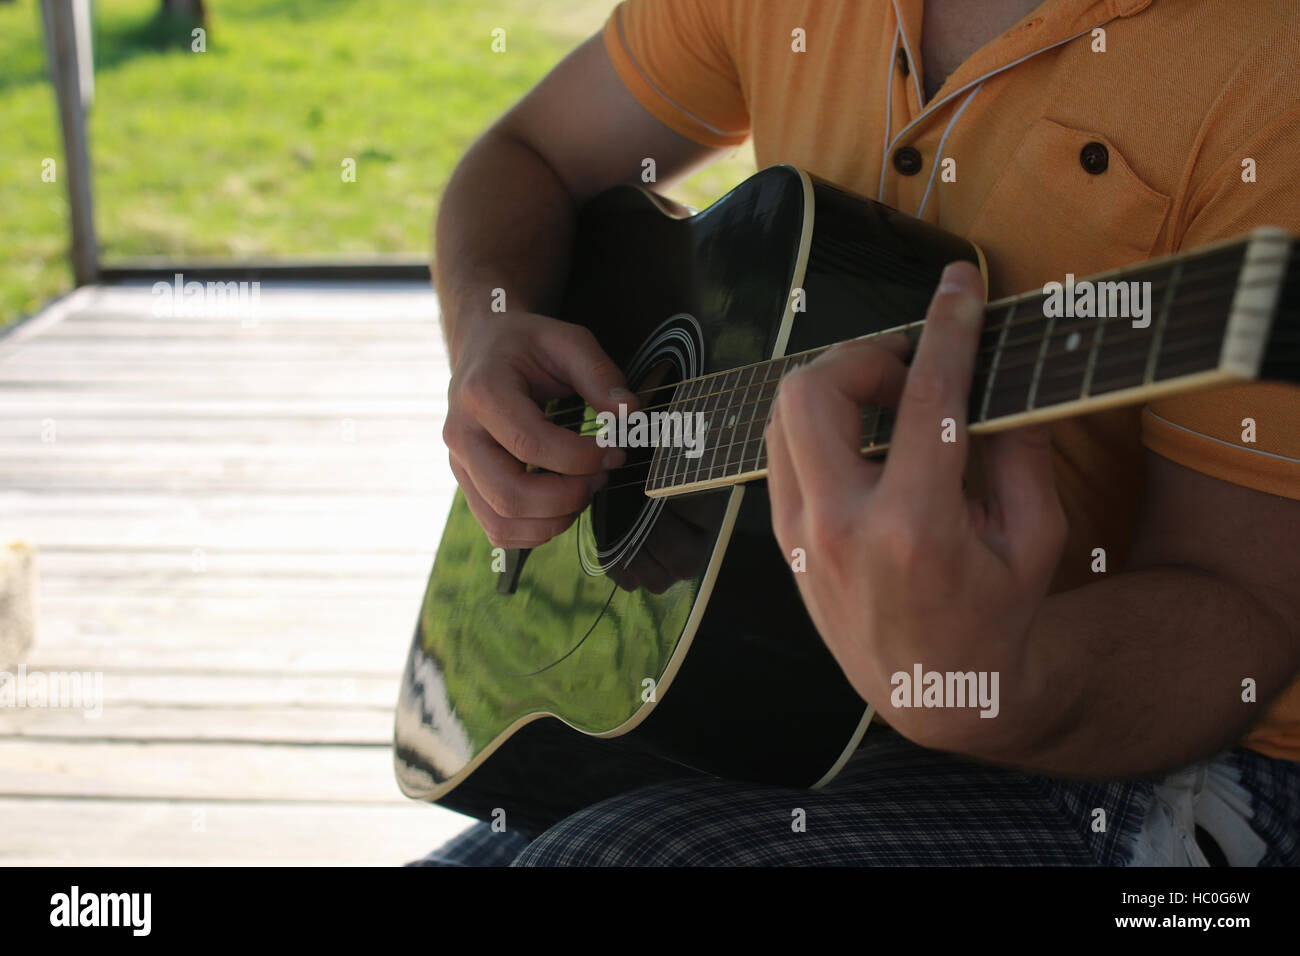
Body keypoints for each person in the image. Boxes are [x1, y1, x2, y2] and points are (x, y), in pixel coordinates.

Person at [416, 0, 1300, 866]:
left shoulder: (1273, 59)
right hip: (778, 683)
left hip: (1185, 767)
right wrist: (490, 325)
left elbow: (1250, 612)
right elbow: (528, 156)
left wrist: (991, 683)